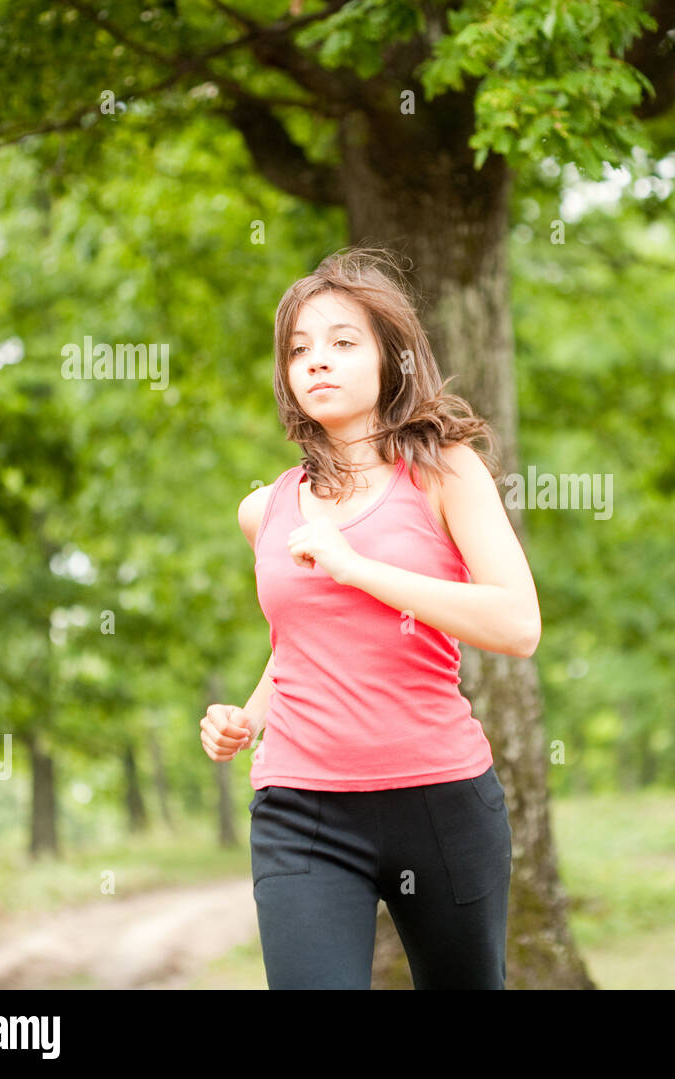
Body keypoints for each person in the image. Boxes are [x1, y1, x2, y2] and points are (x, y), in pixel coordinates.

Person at [198, 247, 541, 989]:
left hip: (441, 801)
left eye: (342, 342)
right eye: (299, 349)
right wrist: (247, 716)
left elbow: (518, 624)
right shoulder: (266, 508)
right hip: (302, 809)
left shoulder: (446, 471)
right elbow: (301, 641)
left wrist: (358, 567)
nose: (317, 361)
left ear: (390, 357)